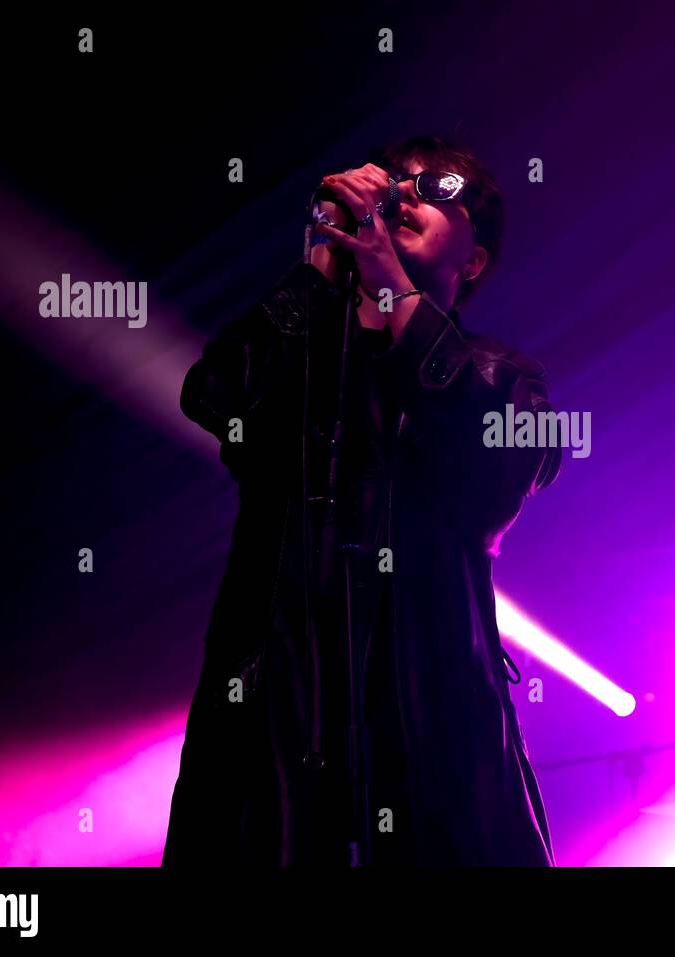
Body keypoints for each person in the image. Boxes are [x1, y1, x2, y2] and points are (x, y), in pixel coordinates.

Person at [162, 134, 561, 866]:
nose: (405, 195)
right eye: (397, 181)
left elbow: (500, 466)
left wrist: (392, 287)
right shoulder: (302, 360)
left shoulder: (503, 376)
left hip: (432, 728)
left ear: (473, 261)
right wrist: (319, 267)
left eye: (437, 189)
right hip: (275, 721)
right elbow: (214, 393)